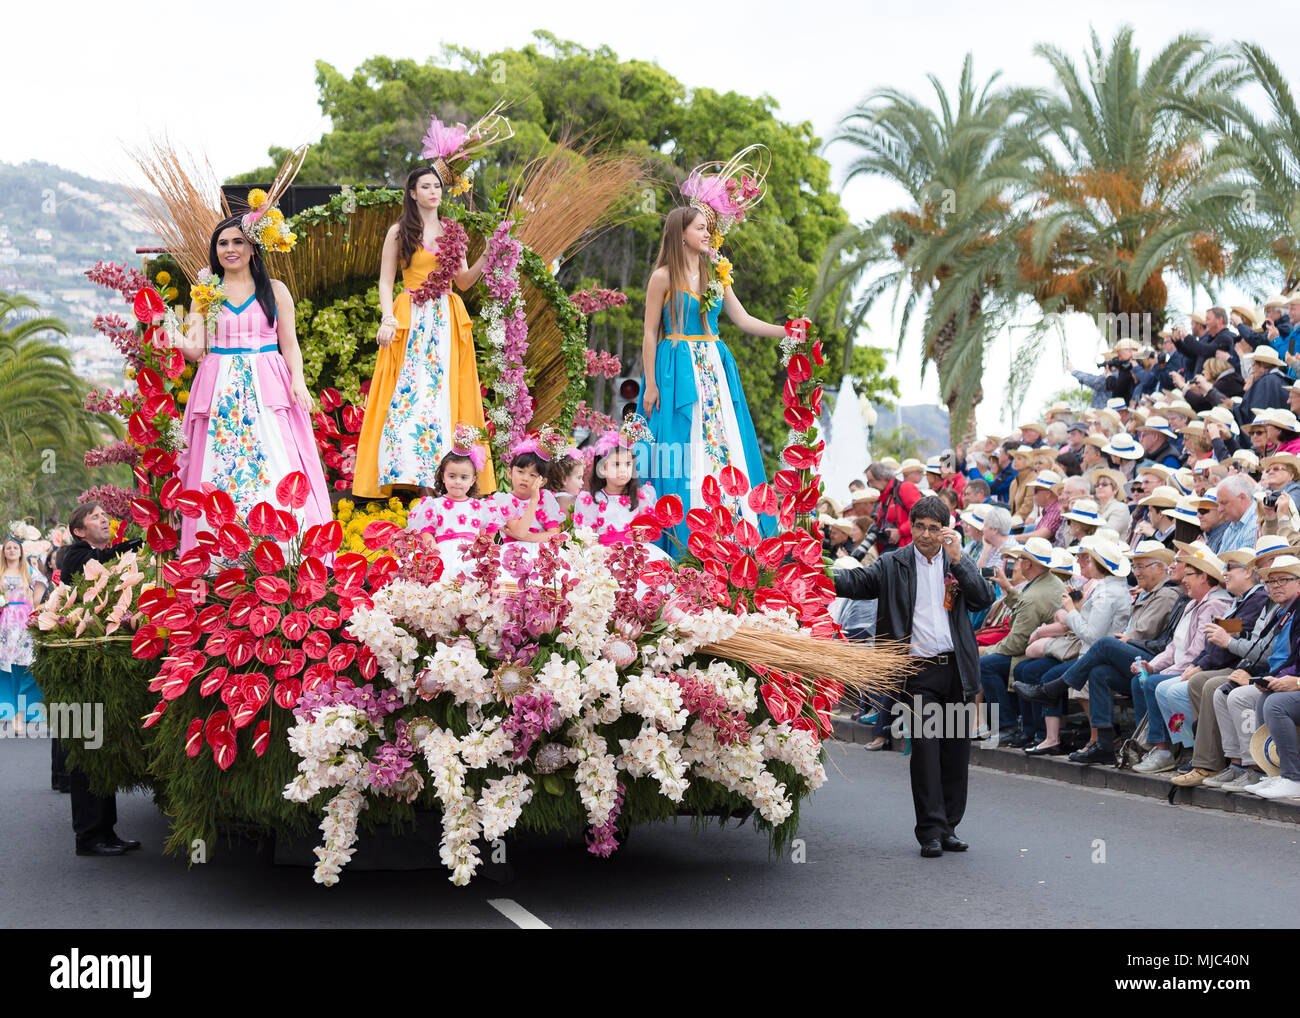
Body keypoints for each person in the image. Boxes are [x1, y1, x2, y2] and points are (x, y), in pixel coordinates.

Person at [831, 496, 994, 856]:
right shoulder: (893, 563)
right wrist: (814, 571)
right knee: (925, 751)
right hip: (918, 672)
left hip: (957, 669)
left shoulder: (956, 564)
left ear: (945, 530)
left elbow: (984, 598)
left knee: (955, 752)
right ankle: (930, 832)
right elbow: (854, 582)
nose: (925, 534)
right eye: (919, 526)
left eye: (933, 528)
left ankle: (950, 826)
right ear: (912, 526)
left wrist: (959, 560)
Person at [638, 156, 784, 550]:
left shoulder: (715, 272)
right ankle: (682, 536)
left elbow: (744, 319)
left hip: (715, 366)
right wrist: (650, 383)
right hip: (676, 364)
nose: (708, 234)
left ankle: (734, 531)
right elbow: (650, 332)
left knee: (724, 442)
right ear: (680, 233)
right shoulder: (663, 276)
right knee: (681, 444)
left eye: (708, 228)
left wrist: (787, 331)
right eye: (700, 228)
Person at [174, 215, 332, 551]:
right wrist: (163, 324)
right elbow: (193, 349)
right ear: (214, 250)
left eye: (238, 242)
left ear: (252, 248)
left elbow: (289, 343)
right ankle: (219, 555)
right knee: (217, 463)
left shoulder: (275, 290)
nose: (230, 249)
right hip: (219, 391)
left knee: (275, 457)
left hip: (267, 385)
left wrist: (298, 381)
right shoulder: (205, 293)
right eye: (222, 243)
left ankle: (284, 550)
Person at [354, 164, 495, 498]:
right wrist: (388, 319)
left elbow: (461, 281)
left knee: (444, 397)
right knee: (407, 396)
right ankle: (411, 481)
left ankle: (447, 487)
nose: (434, 192)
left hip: (446, 319)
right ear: (413, 193)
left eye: (438, 187)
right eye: (426, 186)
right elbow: (386, 281)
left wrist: (486, 256)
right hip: (410, 317)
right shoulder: (399, 232)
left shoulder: (452, 232)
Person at [55, 502, 142, 857]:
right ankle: (90, 836)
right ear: (79, 530)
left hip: (90, 674)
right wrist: (136, 545)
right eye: (95, 517)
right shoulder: (76, 556)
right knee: (88, 753)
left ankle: (105, 832)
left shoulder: (90, 552)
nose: (105, 519)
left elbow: (109, 556)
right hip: (80, 675)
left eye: (105, 515)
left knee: (98, 752)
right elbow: (103, 564)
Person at [1129, 542, 1234, 774]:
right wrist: (1153, 665)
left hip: (1195, 668)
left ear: (1204, 577)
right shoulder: (1192, 604)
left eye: (1188, 575)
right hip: (1183, 666)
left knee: (1154, 683)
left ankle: (1170, 749)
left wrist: (1162, 673)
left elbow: (1197, 653)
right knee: (1142, 680)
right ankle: (1154, 745)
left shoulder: (1215, 604)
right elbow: (1173, 647)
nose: (1183, 579)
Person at [977, 537, 1066, 746]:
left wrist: (987, 651)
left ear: (1028, 564)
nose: (1016, 564)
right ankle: (1015, 726)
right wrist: (1008, 589)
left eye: (1019, 560)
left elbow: (1016, 644)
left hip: (1036, 651)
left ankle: (1007, 725)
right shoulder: (1050, 581)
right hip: (1046, 648)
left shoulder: (1034, 594)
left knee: (985, 664)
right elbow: (1025, 605)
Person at [405, 434, 504, 581]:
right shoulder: (433, 505)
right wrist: (434, 551)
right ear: (443, 477)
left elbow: (491, 529)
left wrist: (482, 548)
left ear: (473, 480)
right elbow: (426, 531)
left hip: (472, 554)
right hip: (443, 552)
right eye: (452, 476)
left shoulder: (481, 507)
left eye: (464, 477)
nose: (457, 482)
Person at [0, 534, 47, 734]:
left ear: (21, 552)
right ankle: (9, 707)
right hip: (5, 621)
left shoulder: (28, 570)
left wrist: (36, 601)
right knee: (7, 663)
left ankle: (26, 708)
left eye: (15, 548)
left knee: (27, 662)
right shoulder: (1, 571)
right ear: (4, 551)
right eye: (8, 548)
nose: (11, 551)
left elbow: (42, 581)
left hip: (24, 620)